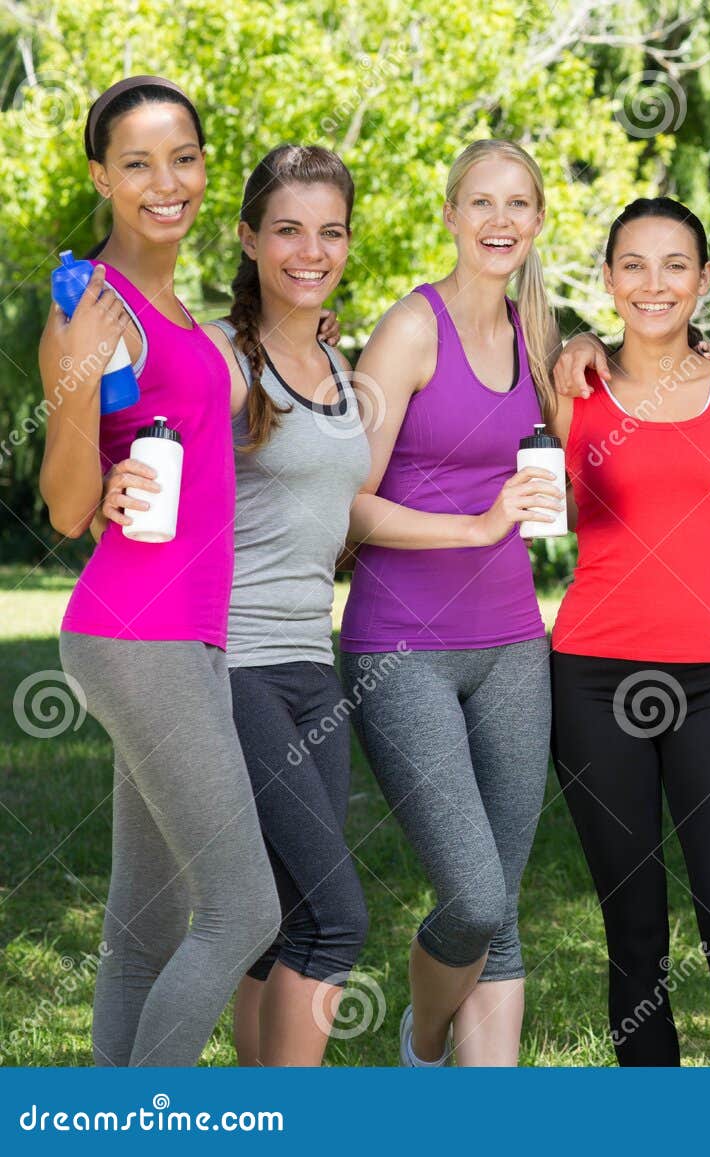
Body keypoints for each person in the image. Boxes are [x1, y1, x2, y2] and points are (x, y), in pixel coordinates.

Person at [42, 76, 280, 1066]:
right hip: (139, 633)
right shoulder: (92, 308)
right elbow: (63, 505)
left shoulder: (179, 309)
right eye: (136, 163)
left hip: (178, 633)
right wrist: (78, 375)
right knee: (242, 910)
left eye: (181, 157)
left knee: (143, 928)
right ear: (102, 176)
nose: (165, 180)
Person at [545, 197, 710, 1066]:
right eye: (635, 265)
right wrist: (574, 345)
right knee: (635, 926)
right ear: (608, 280)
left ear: (704, 279)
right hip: (591, 677)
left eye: (675, 264)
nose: (655, 284)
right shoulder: (570, 388)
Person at [341, 139, 565, 1067]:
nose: (500, 221)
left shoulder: (538, 334)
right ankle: (424, 1044)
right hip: (402, 648)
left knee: (501, 911)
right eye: (481, 202)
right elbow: (344, 500)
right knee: (472, 897)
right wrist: (474, 527)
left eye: (518, 204)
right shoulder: (410, 330)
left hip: (515, 640)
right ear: (450, 214)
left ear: (540, 220)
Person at [196, 145, 369, 1066]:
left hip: (314, 663)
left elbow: (340, 506)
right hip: (236, 669)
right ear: (251, 238)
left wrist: (476, 525)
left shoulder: (339, 364)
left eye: (329, 230)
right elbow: (152, 462)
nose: (311, 249)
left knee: (282, 917)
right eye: (289, 229)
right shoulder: (222, 361)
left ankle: (249, 1109)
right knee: (336, 921)